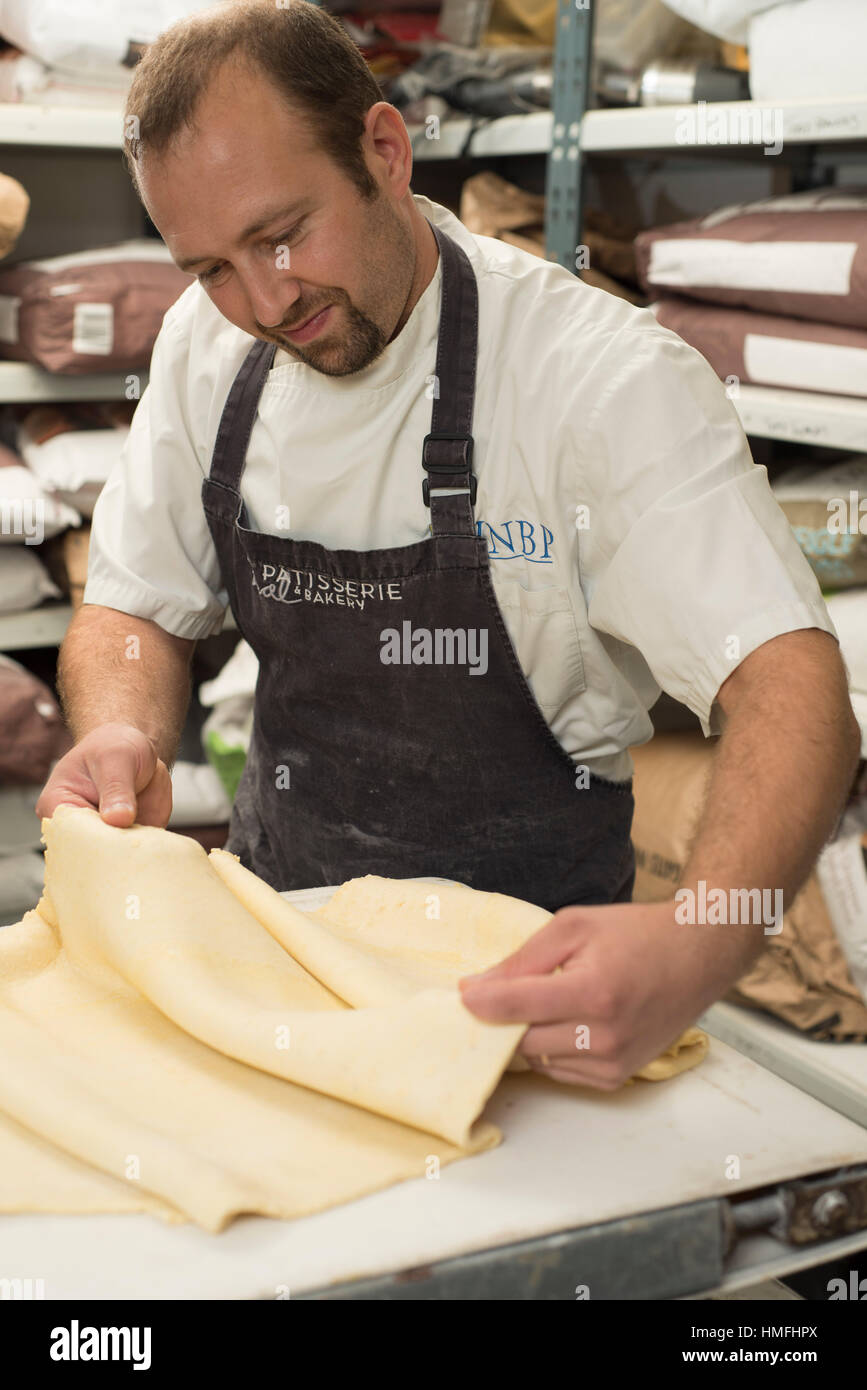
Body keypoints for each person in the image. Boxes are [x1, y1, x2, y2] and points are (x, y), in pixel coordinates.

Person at [36, 0, 860, 1089]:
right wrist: (122, 732)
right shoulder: (208, 342)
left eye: (284, 234)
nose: (264, 299)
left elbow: (792, 687)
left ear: (384, 149)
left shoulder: (600, 381)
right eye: (213, 267)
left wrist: (698, 942)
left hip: (534, 1013)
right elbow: (135, 606)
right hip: (280, 959)